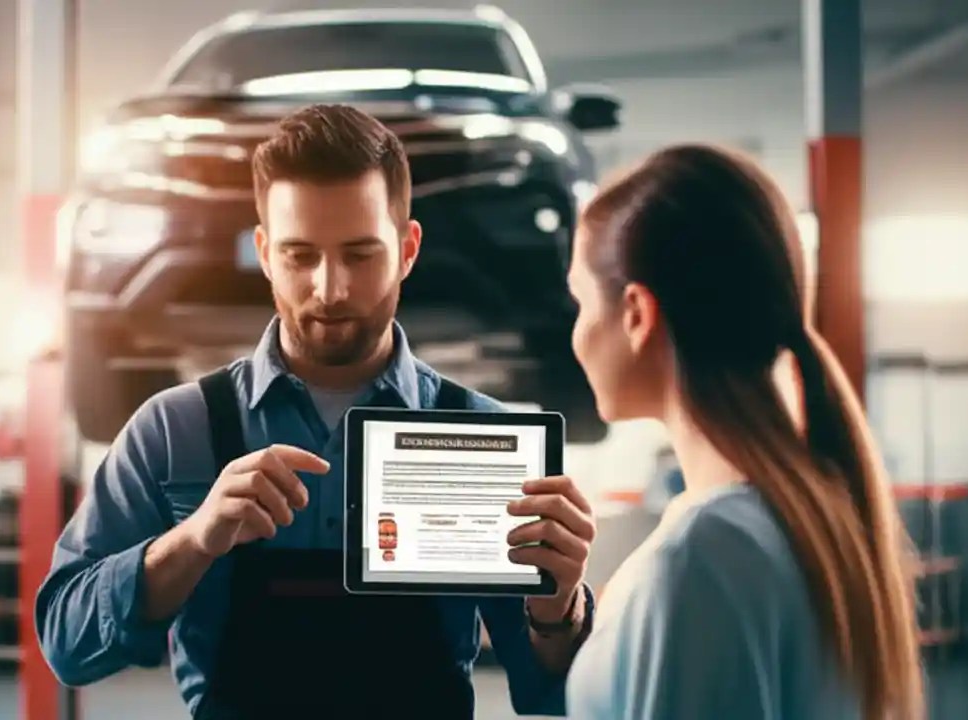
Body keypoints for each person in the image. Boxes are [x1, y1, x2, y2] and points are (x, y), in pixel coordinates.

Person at [35, 104, 599, 719]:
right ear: (265, 252)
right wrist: (194, 541)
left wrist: (559, 607)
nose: (330, 290)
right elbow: (67, 643)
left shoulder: (482, 438)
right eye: (300, 256)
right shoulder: (174, 432)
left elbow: (554, 696)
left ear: (407, 249)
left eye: (360, 255)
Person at [562, 144, 925, 719]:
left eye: (581, 302)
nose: (576, 334)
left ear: (636, 314)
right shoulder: (804, 516)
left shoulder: (702, 554)